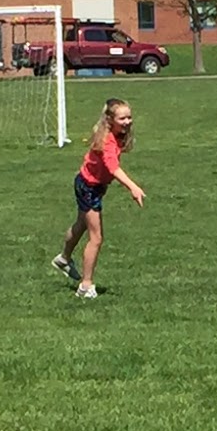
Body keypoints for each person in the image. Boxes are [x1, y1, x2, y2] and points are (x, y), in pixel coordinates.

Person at [52, 98, 145, 299]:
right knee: (96, 238)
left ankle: (63, 259)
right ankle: (85, 286)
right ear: (110, 120)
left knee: (81, 224)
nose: (127, 122)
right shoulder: (107, 141)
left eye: (129, 117)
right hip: (88, 188)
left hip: (90, 185)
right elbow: (113, 168)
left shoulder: (117, 135)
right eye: (122, 118)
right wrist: (133, 187)